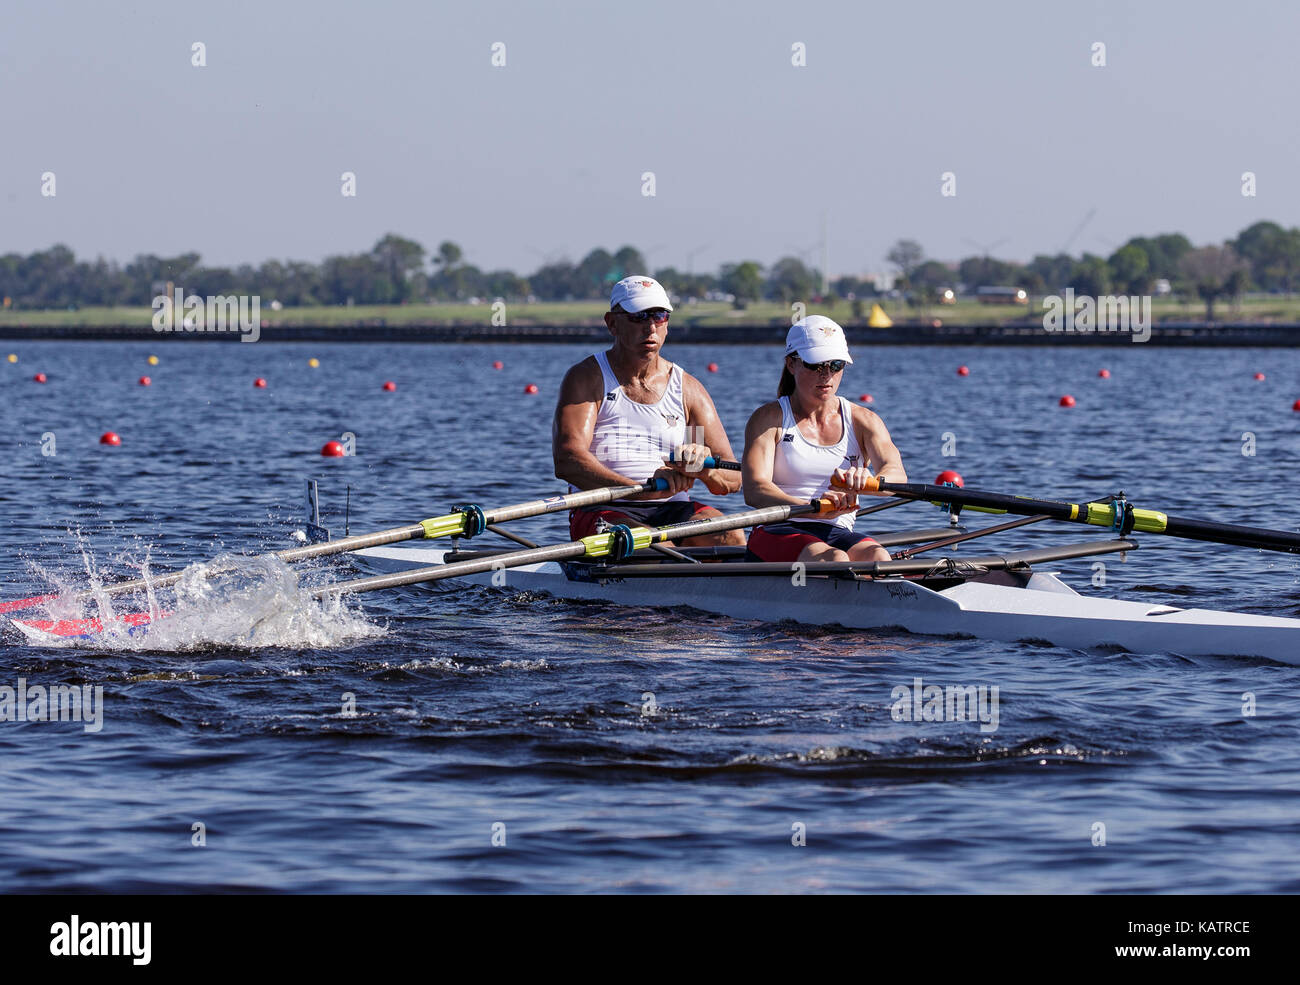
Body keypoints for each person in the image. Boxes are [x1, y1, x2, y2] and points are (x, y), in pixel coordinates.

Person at [553, 275, 744, 546]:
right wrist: (638, 493)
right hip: (603, 508)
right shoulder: (587, 379)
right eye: (639, 316)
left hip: (672, 508)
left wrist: (703, 470)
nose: (651, 327)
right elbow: (568, 461)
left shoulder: (687, 389)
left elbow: (732, 479)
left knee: (730, 537)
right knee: (656, 545)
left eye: (659, 316)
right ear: (612, 323)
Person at [741, 315, 906, 563]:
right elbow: (755, 490)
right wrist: (812, 507)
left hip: (836, 531)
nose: (827, 375)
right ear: (791, 364)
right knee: (835, 560)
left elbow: (897, 476)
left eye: (836, 365)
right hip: (777, 529)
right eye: (816, 365)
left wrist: (870, 481)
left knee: (880, 558)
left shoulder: (864, 420)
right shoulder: (768, 419)